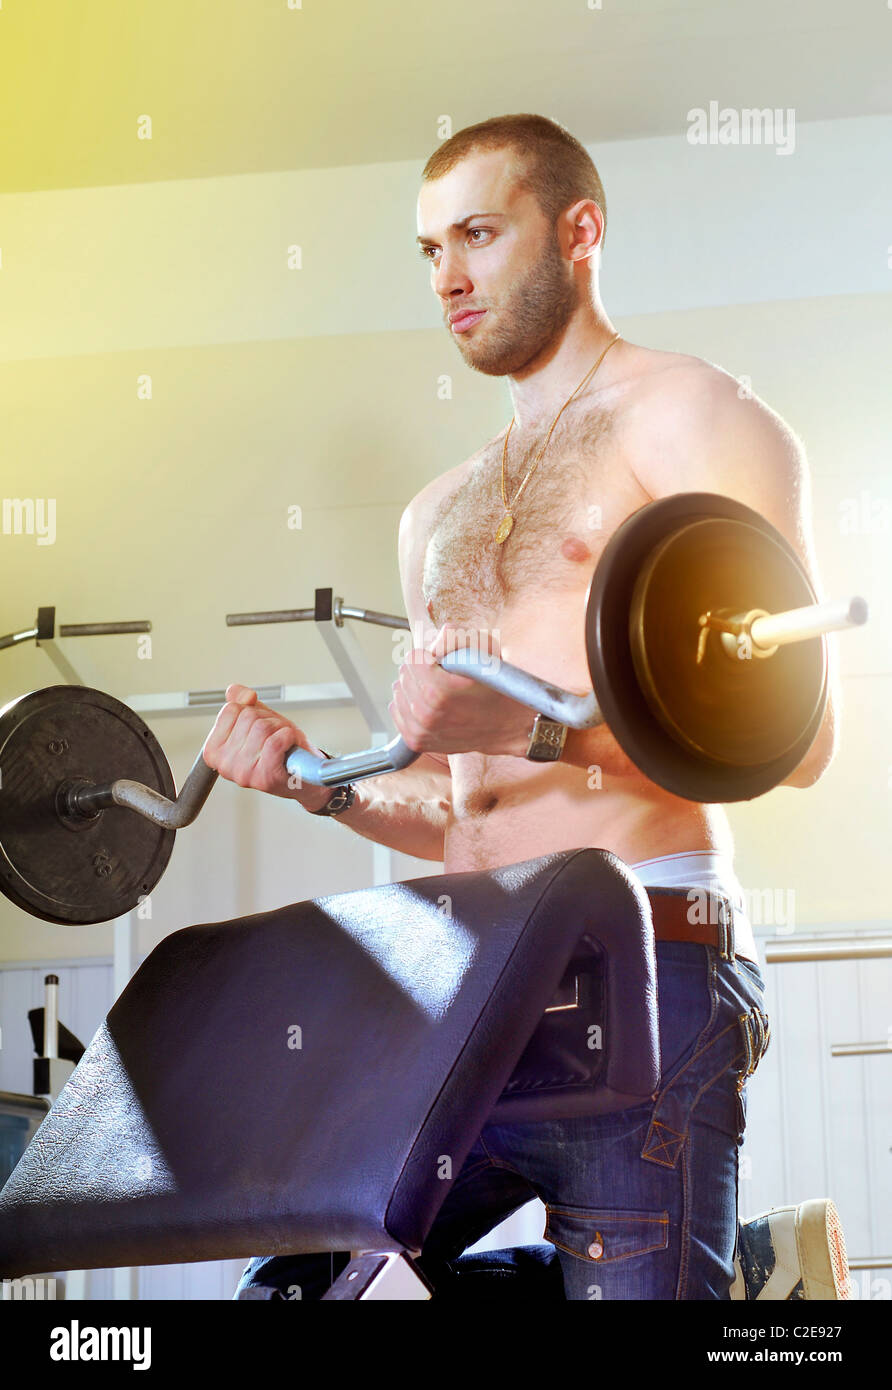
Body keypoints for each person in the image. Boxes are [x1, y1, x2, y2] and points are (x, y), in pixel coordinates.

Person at [204, 114, 849, 1301]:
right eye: (426, 250)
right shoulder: (433, 518)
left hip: (647, 962)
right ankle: (730, 1271)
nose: (446, 276)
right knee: (298, 1293)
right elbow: (469, 817)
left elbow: (797, 738)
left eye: (478, 235)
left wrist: (530, 725)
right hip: (474, 987)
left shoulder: (690, 419)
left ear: (578, 231)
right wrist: (324, 784)